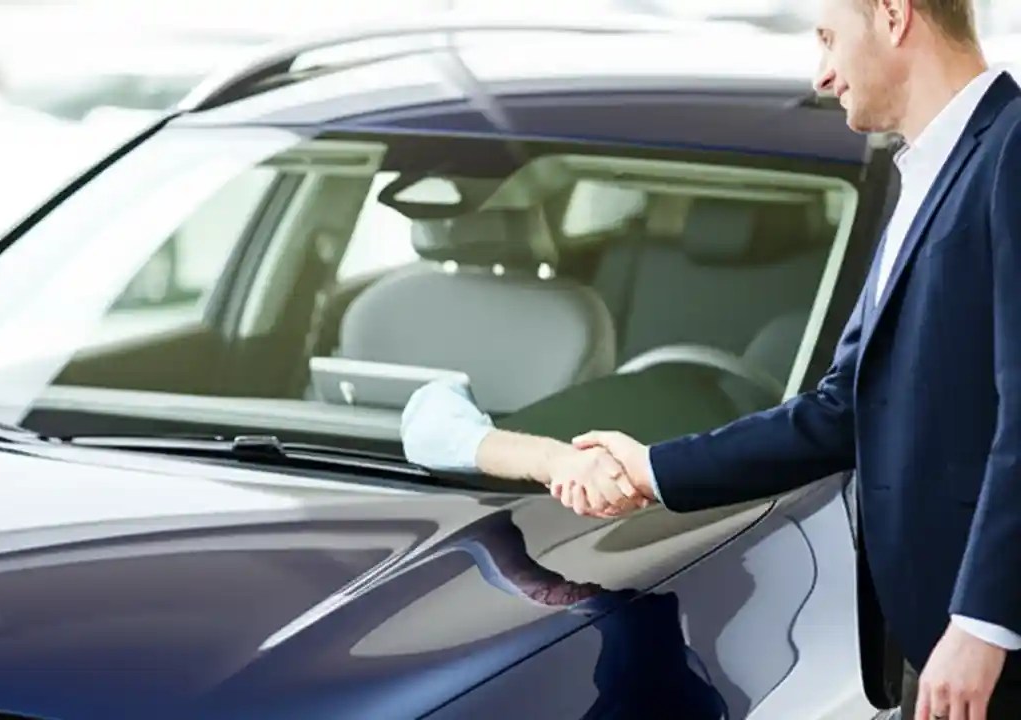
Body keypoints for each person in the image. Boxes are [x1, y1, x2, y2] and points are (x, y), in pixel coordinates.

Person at [401, 1, 1021, 717]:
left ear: (891, 14)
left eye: (826, 37)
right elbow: (843, 408)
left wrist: (983, 622)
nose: (822, 75)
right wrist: (650, 467)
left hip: (986, 651)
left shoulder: (1009, 156)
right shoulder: (935, 169)